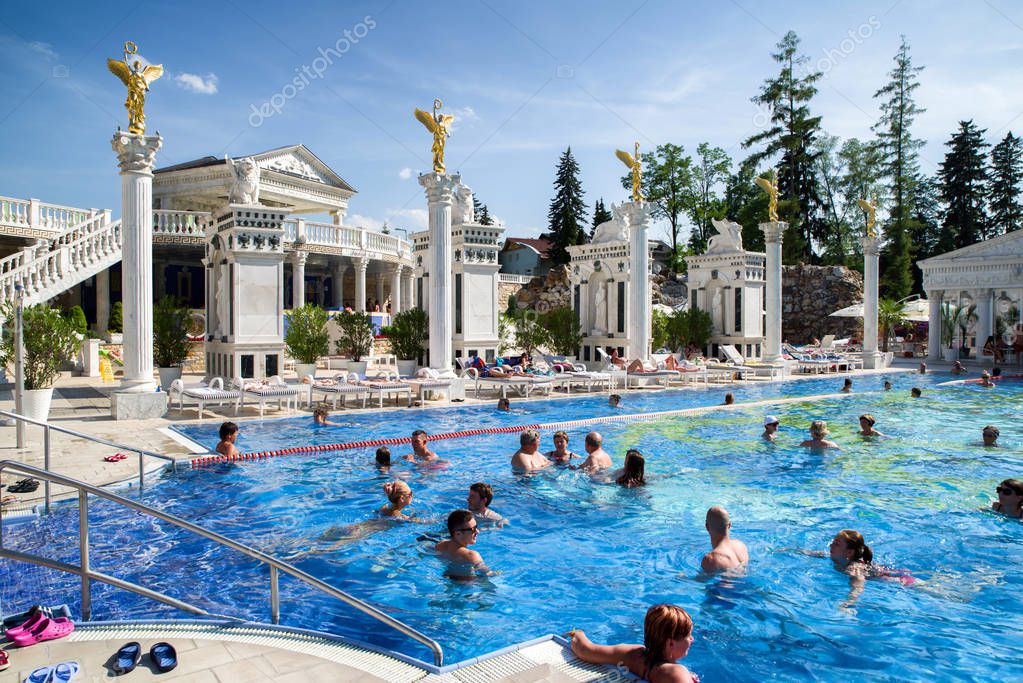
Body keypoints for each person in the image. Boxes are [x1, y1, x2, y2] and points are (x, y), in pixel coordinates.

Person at [568, 604, 697, 683]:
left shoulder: (633, 655)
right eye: (688, 636)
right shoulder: (677, 673)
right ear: (670, 644)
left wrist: (577, 634)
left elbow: (587, 650)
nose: (692, 639)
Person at [434, 509, 495, 578]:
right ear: (458, 534)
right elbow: (488, 574)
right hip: (467, 585)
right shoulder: (472, 556)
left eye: (476, 527)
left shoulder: (440, 545)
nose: (477, 532)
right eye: (473, 529)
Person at [701, 506, 749, 573]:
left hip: (728, 583)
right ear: (729, 525)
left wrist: (682, 577)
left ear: (707, 526)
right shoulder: (741, 545)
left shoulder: (711, 559)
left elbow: (700, 580)